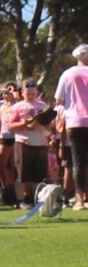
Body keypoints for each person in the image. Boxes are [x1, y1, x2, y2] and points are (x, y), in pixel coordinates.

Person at [5, 80, 50, 202]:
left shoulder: (42, 106)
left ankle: (37, 200)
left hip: (40, 143)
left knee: (39, 174)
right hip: (23, 142)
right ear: (22, 93)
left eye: (33, 93)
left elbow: (50, 125)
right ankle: (20, 200)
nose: (30, 96)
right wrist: (24, 123)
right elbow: (9, 126)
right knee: (21, 174)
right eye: (28, 93)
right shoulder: (17, 107)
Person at [55, 45, 88, 209]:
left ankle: (80, 198)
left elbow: (59, 100)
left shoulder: (67, 74)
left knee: (78, 161)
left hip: (74, 121)